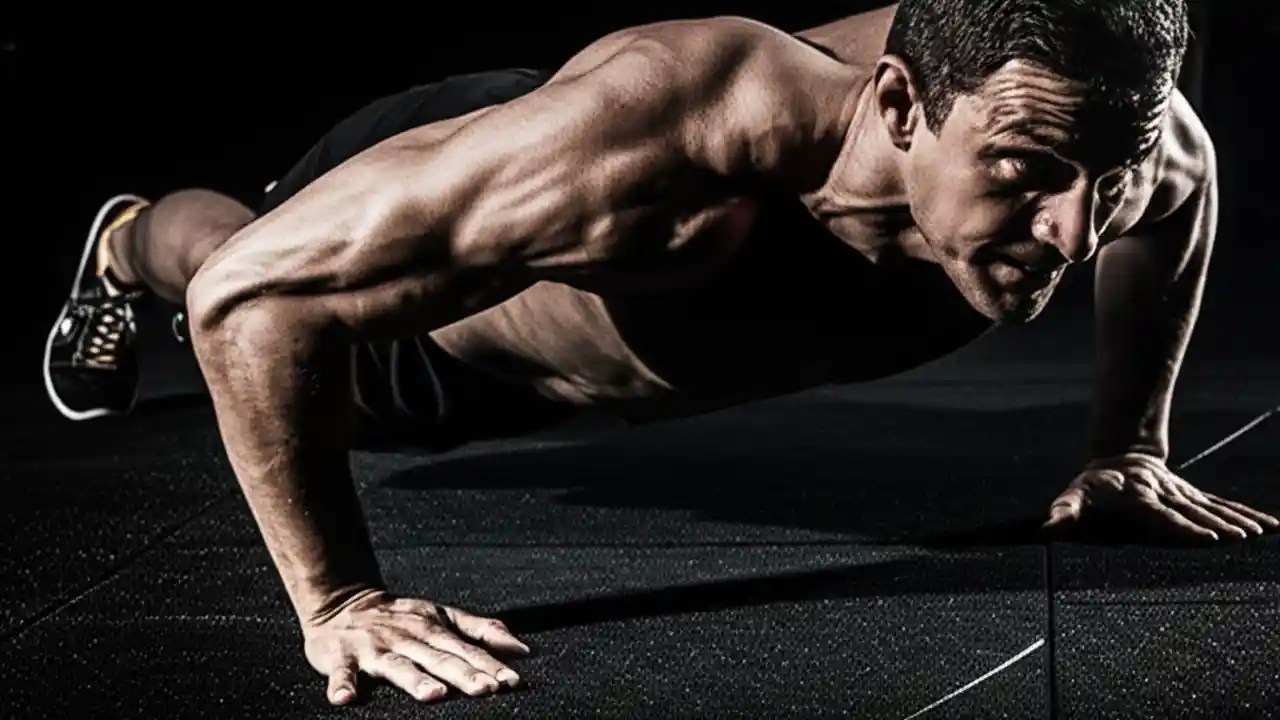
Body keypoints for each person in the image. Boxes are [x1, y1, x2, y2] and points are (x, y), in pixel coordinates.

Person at [42, 0, 1280, 707]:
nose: (1071, 231)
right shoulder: (675, 152)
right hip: (438, 325)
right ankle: (129, 237)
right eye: (1026, 178)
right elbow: (256, 305)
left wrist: (1125, 447)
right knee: (235, 255)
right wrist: (341, 601)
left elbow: (1183, 188)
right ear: (901, 107)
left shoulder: (1104, 128)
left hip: (564, 249)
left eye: (1102, 182)